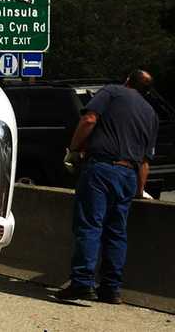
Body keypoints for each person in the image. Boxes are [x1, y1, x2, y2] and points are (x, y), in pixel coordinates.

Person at [56, 69, 160, 304]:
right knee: (117, 231)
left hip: (102, 168)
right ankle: (111, 288)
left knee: (90, 225)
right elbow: (145, 161)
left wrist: (74, 149)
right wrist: (139, 190)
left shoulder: (112, 92)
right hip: (129, 175)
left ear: (126, 81)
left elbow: (89, 119)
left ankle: (82, 283)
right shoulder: (151, 113)